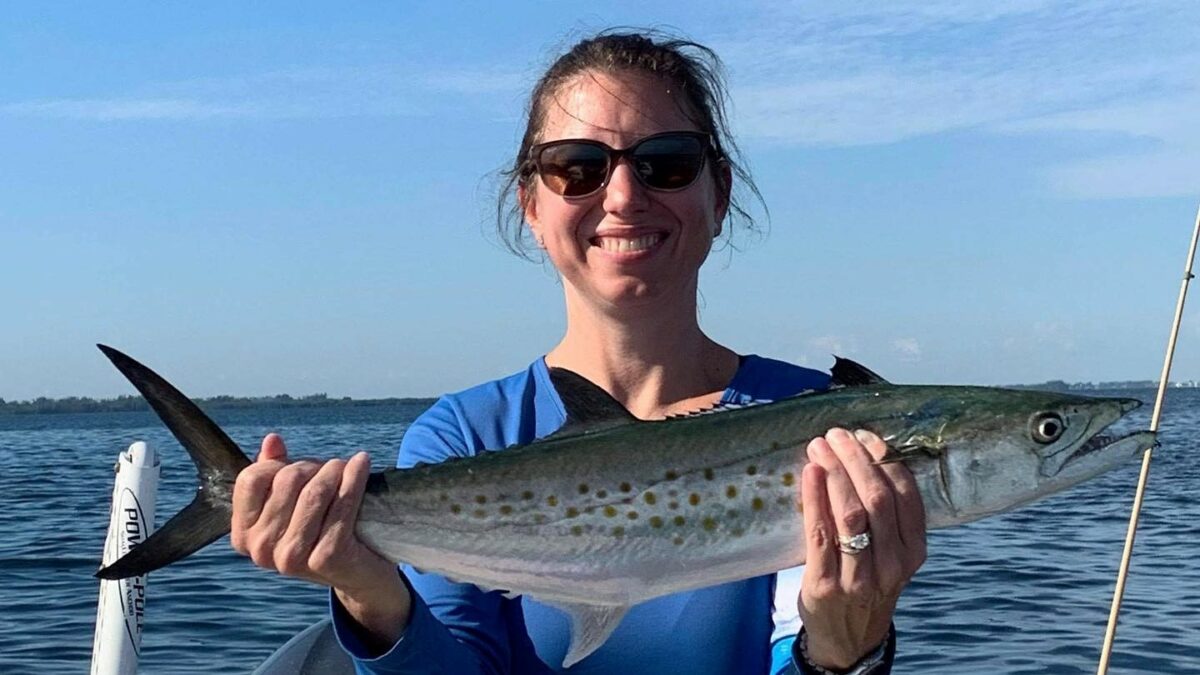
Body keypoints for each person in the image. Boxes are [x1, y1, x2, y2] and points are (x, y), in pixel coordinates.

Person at [230, 30, 926, 674]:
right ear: (531, 205)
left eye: (667, 163)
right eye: (577, 168)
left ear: (720, 193)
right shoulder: (465, 434)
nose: (623, 195)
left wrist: (844, 647)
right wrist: (366, 587)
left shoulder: (821, 427)